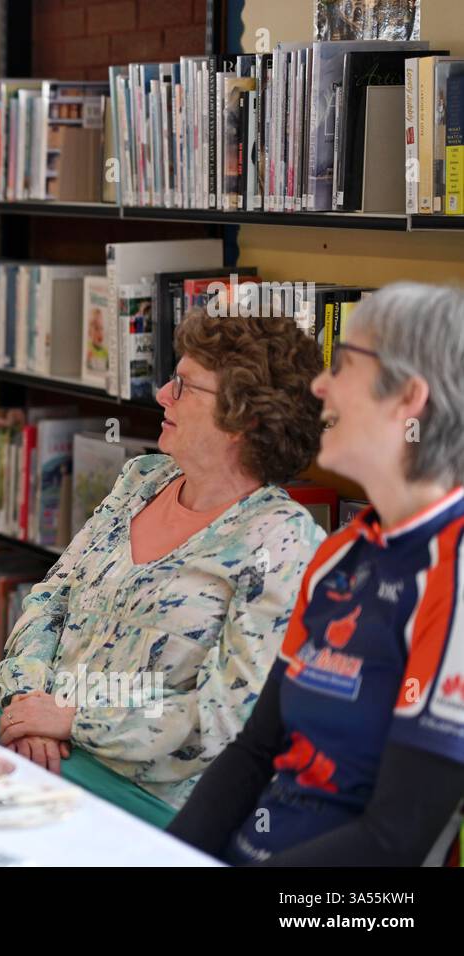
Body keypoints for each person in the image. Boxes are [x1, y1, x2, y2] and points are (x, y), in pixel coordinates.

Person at [0, 309, 328, 827]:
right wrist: (28, 704)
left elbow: (224, 722)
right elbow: (50, 599)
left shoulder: (283, 539)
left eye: (184, 386)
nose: (161, 396)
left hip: (149, 796)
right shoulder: (142, 479)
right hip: (39, 740)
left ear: (246, 419)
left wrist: (71, 721)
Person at [168, 283, 464, 865]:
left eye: (346, 363)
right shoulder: (339, 554)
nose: (320, 385)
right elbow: (254, 752)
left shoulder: (451, 572)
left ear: (409, 397)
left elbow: (395, 839)